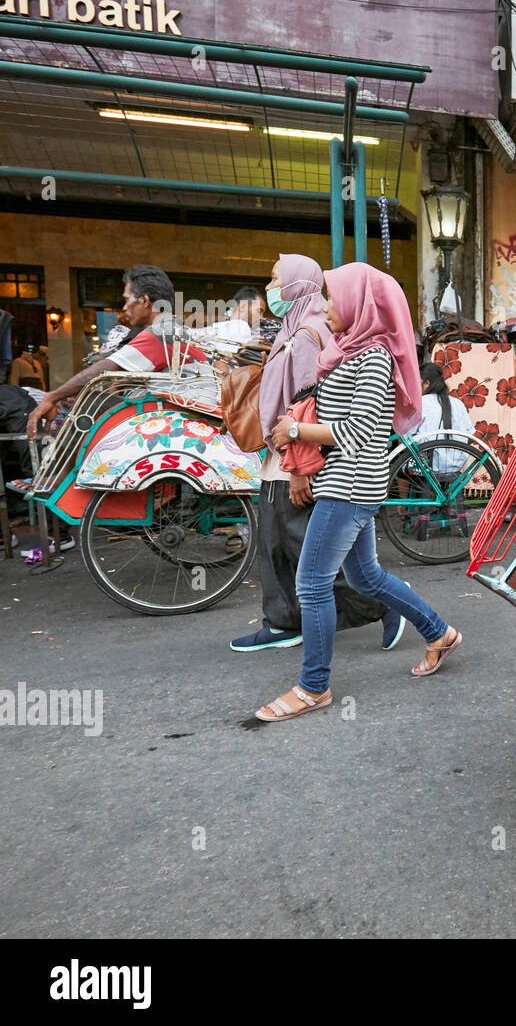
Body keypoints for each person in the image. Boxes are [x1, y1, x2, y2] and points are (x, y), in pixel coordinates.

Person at [256, 262, 461, 722]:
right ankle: (439, 632)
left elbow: (362, 429)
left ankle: (314, 687)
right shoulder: (350, 351)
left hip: (349, 485)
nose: (327, 307)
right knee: (366, 578)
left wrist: (297, 430)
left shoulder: (373, 357)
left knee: (311, 585)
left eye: (334, 298)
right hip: (348, 482)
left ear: (358, 305)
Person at [230, 254, 395, 652]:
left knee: (303, 552)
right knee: (278, 544)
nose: (270, 287)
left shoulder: (308, 333)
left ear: (296, 284)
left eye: (275, 279)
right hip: (282, 449)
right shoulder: (296, 326)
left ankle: (380, 605)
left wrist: (297, 467)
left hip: (294, 455)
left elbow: (308, 402)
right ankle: (284, 622)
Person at [25, 265, 205, 439]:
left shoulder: (160, 332)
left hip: (176, 415)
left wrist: (52, 397)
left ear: (144, 300)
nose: (125, 308)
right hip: (183, 409)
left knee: (89, 408)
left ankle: (72, 468)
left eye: (127, 300)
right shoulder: (174, 331)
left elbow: (105, 368)